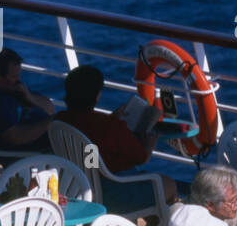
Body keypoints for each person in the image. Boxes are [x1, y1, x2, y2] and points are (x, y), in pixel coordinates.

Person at [55, 65, 179, 209]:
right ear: (97, 96)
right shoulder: (110, 126)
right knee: (168, 184)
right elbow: (142, 158)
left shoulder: (59, 121)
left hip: (74, 189)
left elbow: (90, 142)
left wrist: (112, 119)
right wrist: (151, 142)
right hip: (109, 194)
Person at [0, 48, 54, 162]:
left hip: (46, 139)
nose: (18, 79)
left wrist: (30, 97)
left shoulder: (12, 89)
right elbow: (14, 137)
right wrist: (50, 124)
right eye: (14, 76)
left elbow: (50, 109)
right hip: (26, 151)